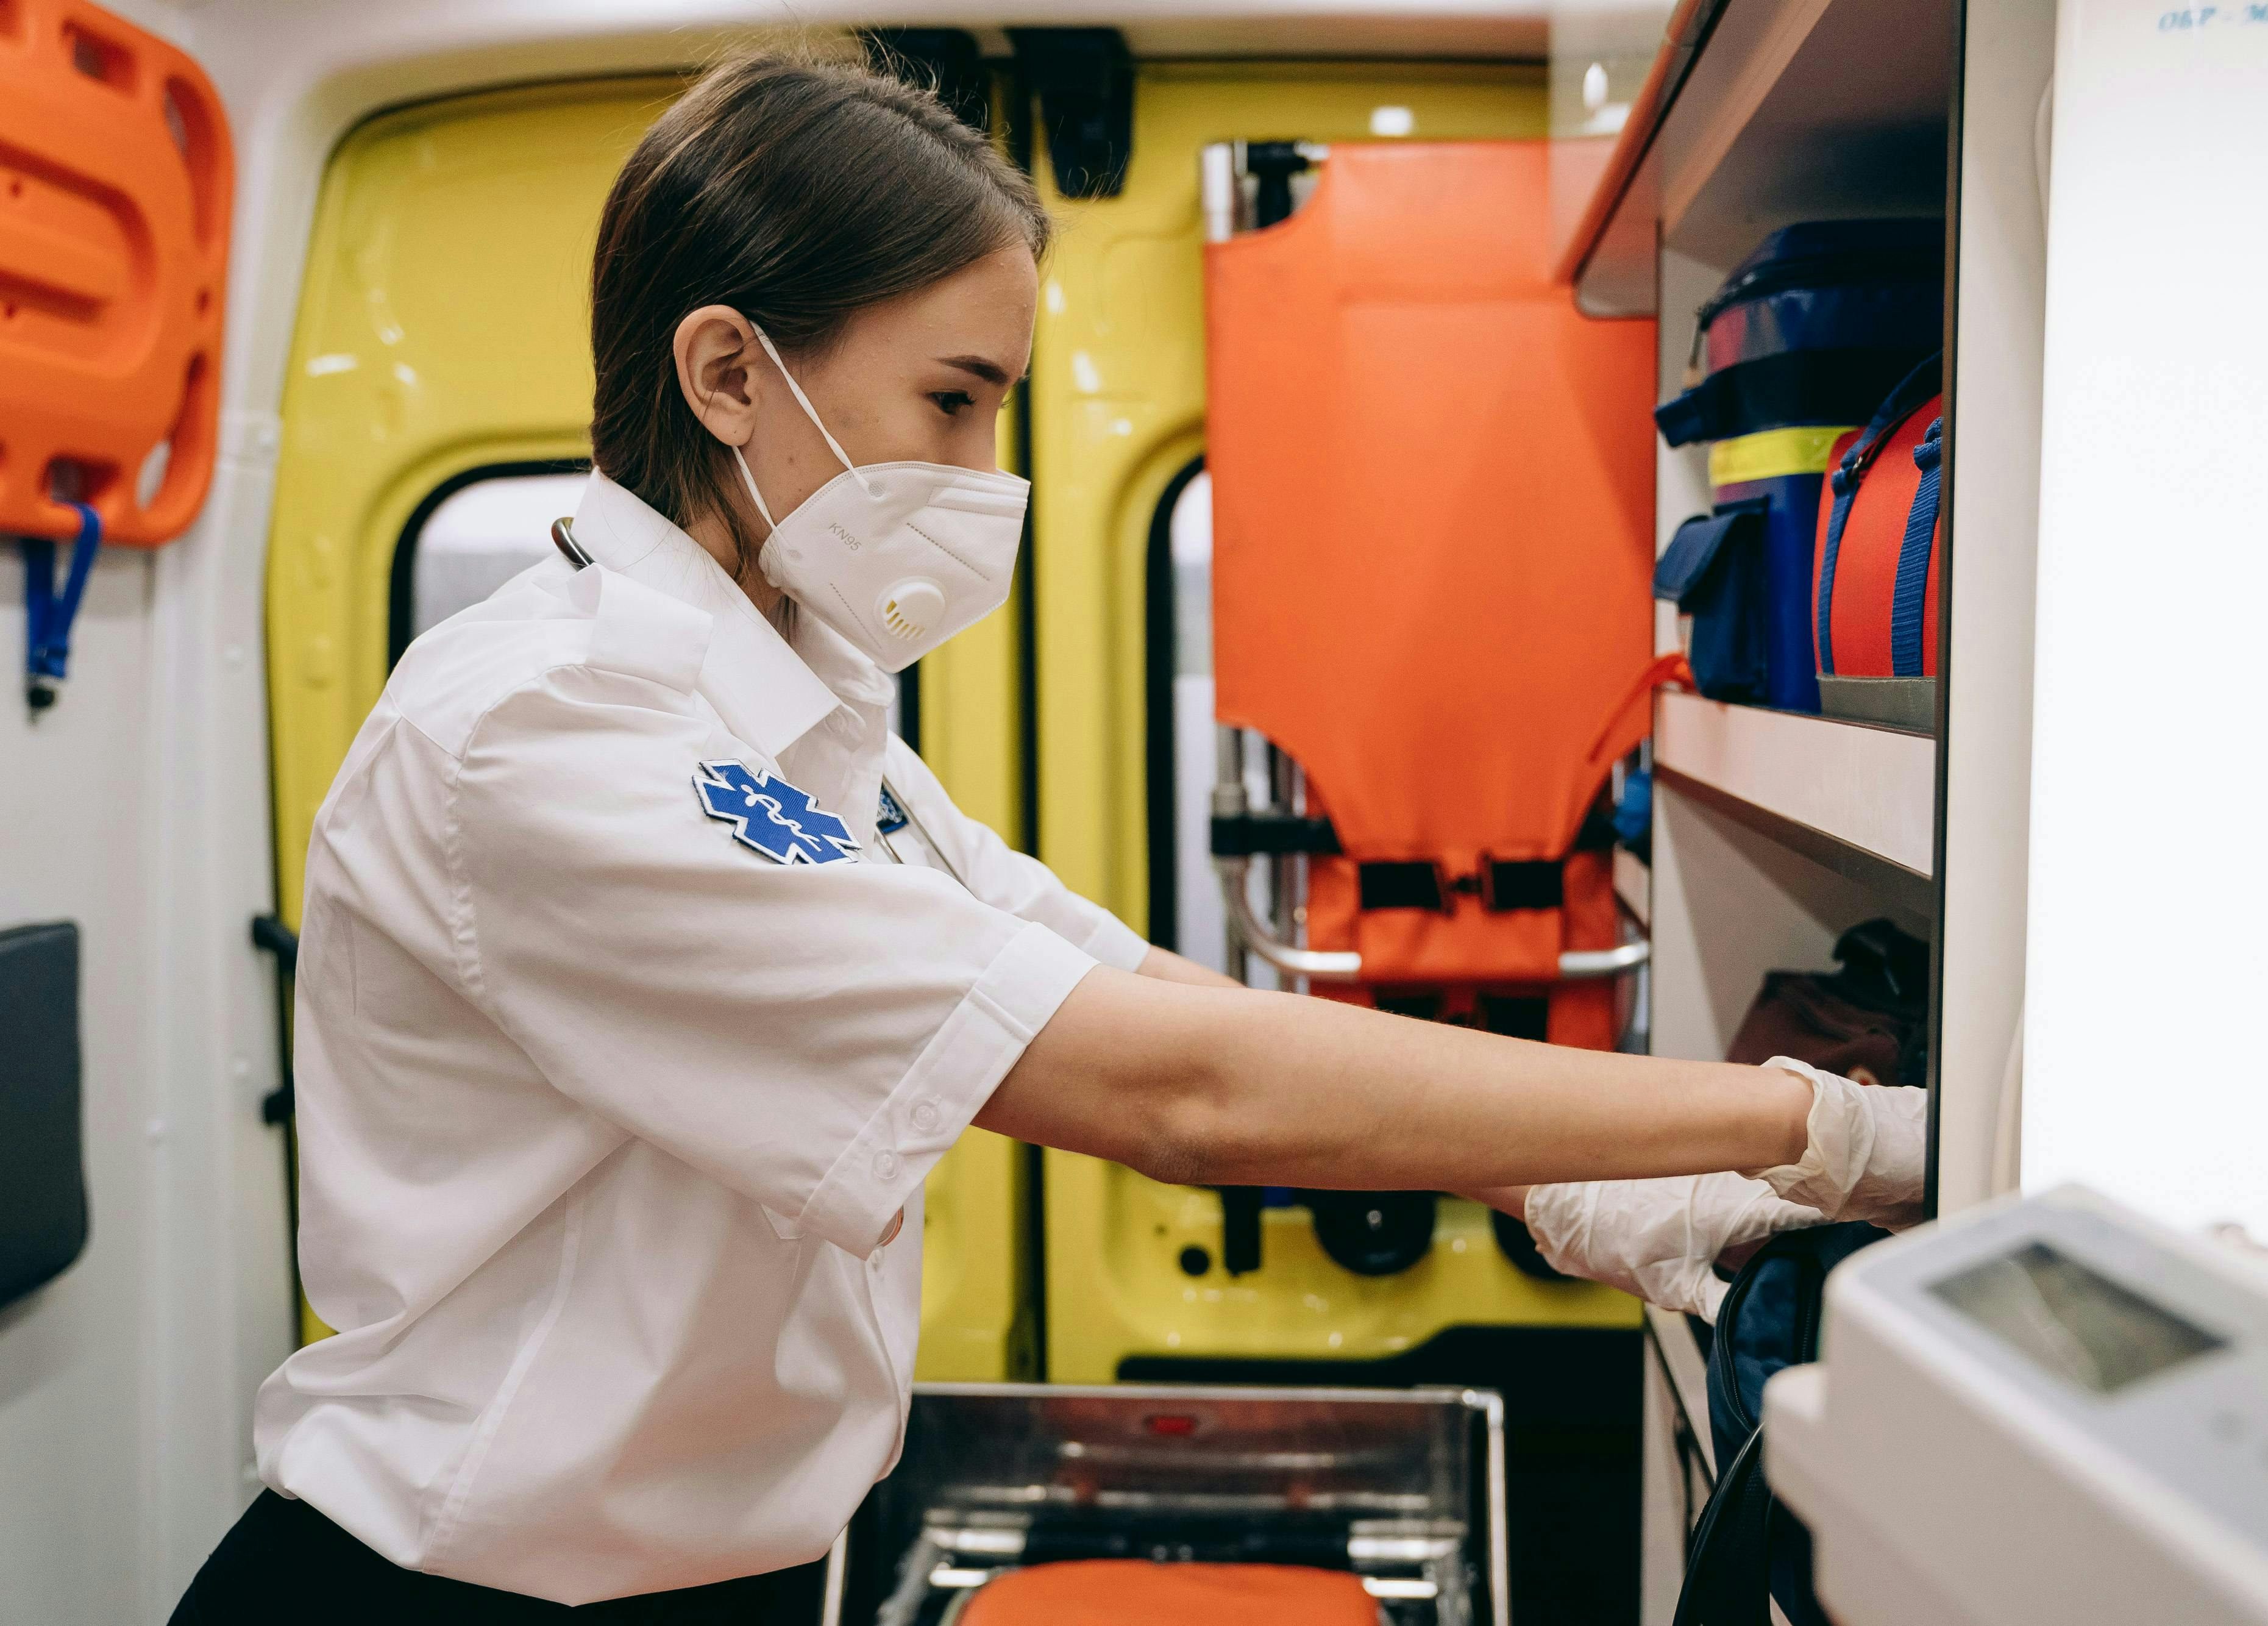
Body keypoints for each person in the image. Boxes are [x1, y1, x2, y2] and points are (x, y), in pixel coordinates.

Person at [171, 51, 1922, 1622]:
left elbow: (1125, 979)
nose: (990, 466)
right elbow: (1169, 1092)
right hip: (445, 1589)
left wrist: (1556, 1172)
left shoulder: (806, 710)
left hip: (704, 1582)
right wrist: (1811, 1126)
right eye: (955, 399)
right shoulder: (545, 729)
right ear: (725, 371)